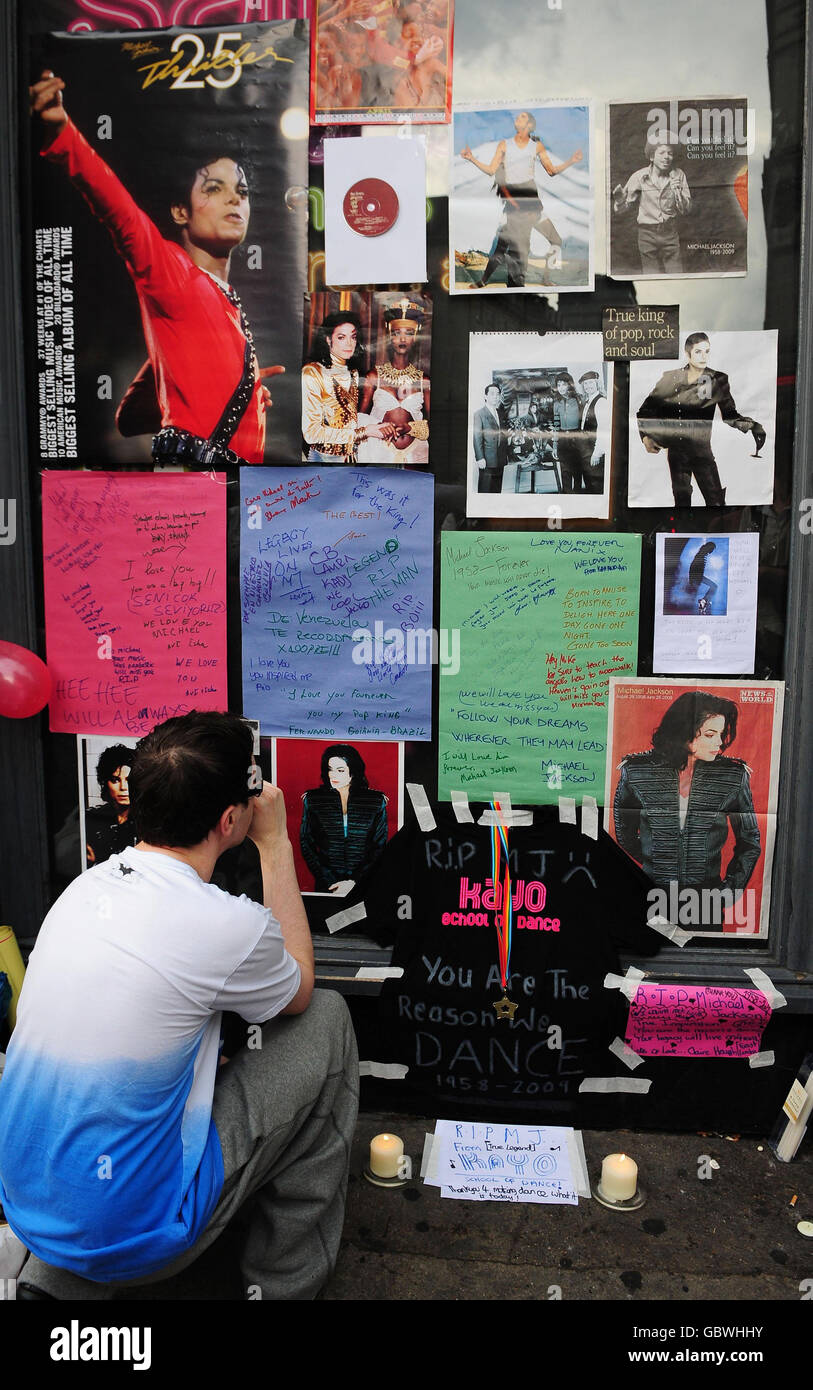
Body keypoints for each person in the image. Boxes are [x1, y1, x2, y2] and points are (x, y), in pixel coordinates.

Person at [0, 711, 358, 1301]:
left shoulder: (82, 890)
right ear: (228, 818)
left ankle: (53, 1276)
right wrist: (275, 843)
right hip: (138, 1236)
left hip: (27, 1201)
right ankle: (285, 1283)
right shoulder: (223, 924)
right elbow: (298, 988)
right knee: (327, 1020)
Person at [30, 71, 284, 468]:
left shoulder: (222, 302)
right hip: (197, 494)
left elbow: (129, 418)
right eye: (213, 188)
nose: (234, 198)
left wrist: (234, 392)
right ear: (180, 211)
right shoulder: (174, 274)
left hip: (225, 494)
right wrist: (63, 134)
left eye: (242, 191)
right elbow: (120, 212)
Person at [613, 691, 761, 921]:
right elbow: (624, 832)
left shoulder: (732, 776)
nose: (719, 743)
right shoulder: (636, 771)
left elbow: (750, 840)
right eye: (710, 735)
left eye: (720, 734)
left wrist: (728, 892)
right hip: (653, 894)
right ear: (683, 732)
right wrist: (657, 861)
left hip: (706, 897)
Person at [636, 332, 767, 507]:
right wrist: (646, 436)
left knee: (716, 503)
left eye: (707, 351)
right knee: (681, 504)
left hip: (701, 452)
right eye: (698, 352)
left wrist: (752, 425)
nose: (703, 356)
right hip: (676, 453)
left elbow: (729, 415)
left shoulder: (716, 379)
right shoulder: (671, 378)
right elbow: (645, 410)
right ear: (687, 353)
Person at [460, 111, 582, 289]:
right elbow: (491, 170)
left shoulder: (536, 146)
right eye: (517, 117)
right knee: (508, 248)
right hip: (516, 206)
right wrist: (471, 159)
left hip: (533, 204)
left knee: (556, 241)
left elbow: (552, 171)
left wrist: (571, 161)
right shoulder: (504, 145)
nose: (518, 117)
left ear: (530, 125)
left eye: (523, 116)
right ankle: (486, 281)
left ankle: (545, 279)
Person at [301, 311, 397, 463]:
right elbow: (311, 433)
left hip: (351, 457)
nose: (349, 343)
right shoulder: (312, 372)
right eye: (341, 337)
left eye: (353, 337)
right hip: (324, 459)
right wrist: (364, 432)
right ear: (327, 339)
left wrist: (377, 426)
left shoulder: (353, 374)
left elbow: (349, 419)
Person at [300, 744, 388, 894]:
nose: (333, 775)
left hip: (363, 885)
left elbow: (378, 847)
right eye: (330, 769)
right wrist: (329, 880)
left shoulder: (375, 801)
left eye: (340, 770)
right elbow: (306, 843)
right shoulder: (313, 800)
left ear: (353, 772)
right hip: (327, 886)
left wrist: (354, 881)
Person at [357, 299, 430, 466]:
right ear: (390, 336)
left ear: (416, 337)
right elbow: (359, 418)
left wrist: (410, 428)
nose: (402, 338)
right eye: (397, 333)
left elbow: (436, 426)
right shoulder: (374, 376)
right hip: (378, 451)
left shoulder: (423, 381)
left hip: (417, 453)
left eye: (409, 333)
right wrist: (379, 427)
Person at [612, 137, 691, 275]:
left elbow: (687, 210)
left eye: (670, 153)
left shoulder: (679, 175)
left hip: (670, 233)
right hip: (646, 234)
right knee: (650, 276)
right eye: (662, 153)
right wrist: (619, 202)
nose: (666, 157)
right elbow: (621, 211)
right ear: (652, 157)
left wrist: (678, 192)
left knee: (676, 275)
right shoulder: (639, 177)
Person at [84, 743, 136, 867]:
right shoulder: (91, 818)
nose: (123, 788)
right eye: (115, 780)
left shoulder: (147, 823)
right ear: (105, 783)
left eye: (129, 780)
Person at [574, 369, 610, 494]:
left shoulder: (601, 402)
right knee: (589, 483)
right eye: (585, 384)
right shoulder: (586, 401)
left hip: (593, 450)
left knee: (596, 486)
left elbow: (604, 429)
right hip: (586, 450)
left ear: (597, 384)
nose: (588, 386)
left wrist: (597, 453)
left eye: (590, 383)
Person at [472, 383, 508, 493]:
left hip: (500, 459)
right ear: (485, 396)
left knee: (497, 490)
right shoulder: (479, 414)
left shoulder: (501, 413)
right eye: (492, 394)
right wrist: (479, 458)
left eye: (497, 394)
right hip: (486, 460)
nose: (495, 396)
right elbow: (477, 437)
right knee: (485, 489)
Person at [552, 372, 583, 492]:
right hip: (562, 441)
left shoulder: (579, 399)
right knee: (565, 472)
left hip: (577, 439)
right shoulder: (556, 403)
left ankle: (578, 498)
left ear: (569, 385)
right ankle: (567, 498)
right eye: (558, 385)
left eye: (563, 384)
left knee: (577, 472)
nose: (561, 388)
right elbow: (556, 425)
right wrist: (555, 446)